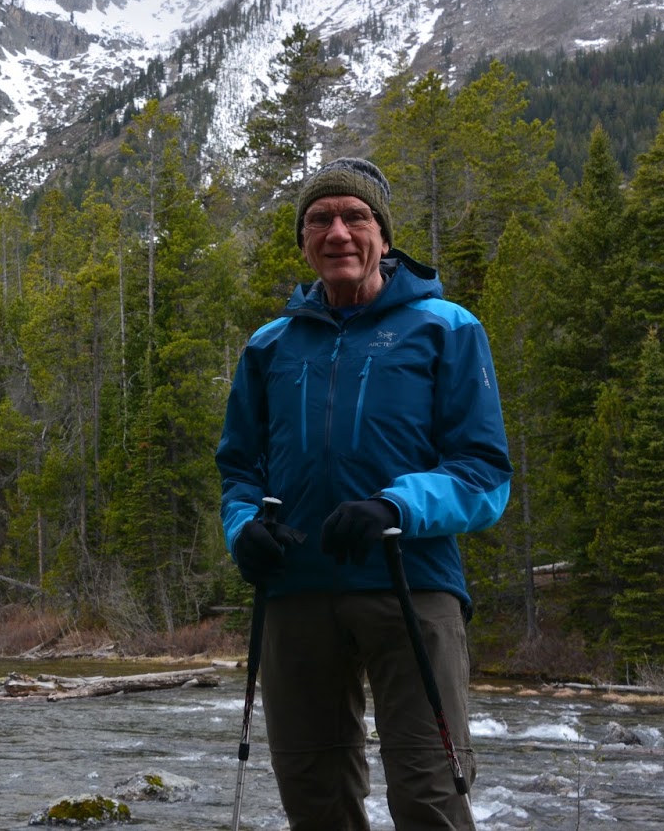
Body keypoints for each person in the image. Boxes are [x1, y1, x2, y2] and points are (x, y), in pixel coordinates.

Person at [217, 157, 511, 831]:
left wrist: (396, 506)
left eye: (355, 216)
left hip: (412, 584)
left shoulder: (446, 328)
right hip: (295, 590)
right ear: (303, 240)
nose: (338, 232)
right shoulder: (270, 346)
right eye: (319, 219)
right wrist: (243, 529)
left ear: (383, 234)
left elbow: (484, 473)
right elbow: (239, 468)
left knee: (430, 795)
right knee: (314, 800)